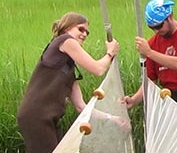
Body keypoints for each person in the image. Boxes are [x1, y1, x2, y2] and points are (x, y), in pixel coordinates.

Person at [17, 12, 120, 152]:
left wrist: (113, 119)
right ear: (67, 28)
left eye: (87, 32)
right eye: (80, 29)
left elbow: (81, 106)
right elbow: (98, 69)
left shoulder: (68, 69)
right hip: (36, 117)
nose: (84, 34)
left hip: (49, 119)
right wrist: (110, 53)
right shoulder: (65, 40)